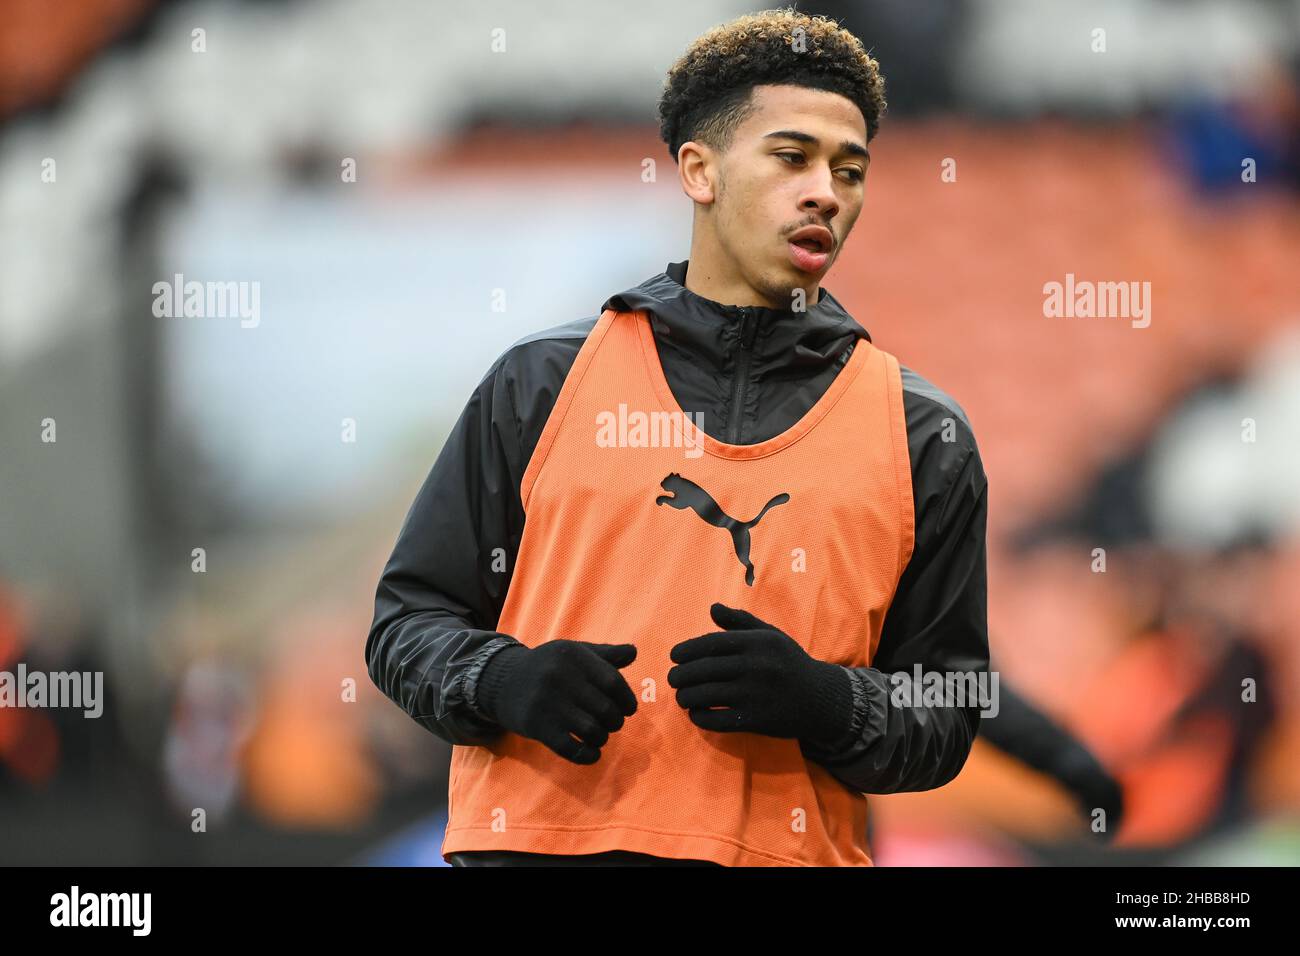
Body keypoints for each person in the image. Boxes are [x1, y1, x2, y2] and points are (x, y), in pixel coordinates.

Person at [366, 7, 989, 867]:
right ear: (699, 170)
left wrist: (828, 703)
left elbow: (951, 708)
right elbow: (407, 625)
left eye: (851, 171)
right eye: (791, 157)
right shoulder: (539, 384)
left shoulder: (925, 435)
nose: (826, 192)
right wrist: (504, 680)